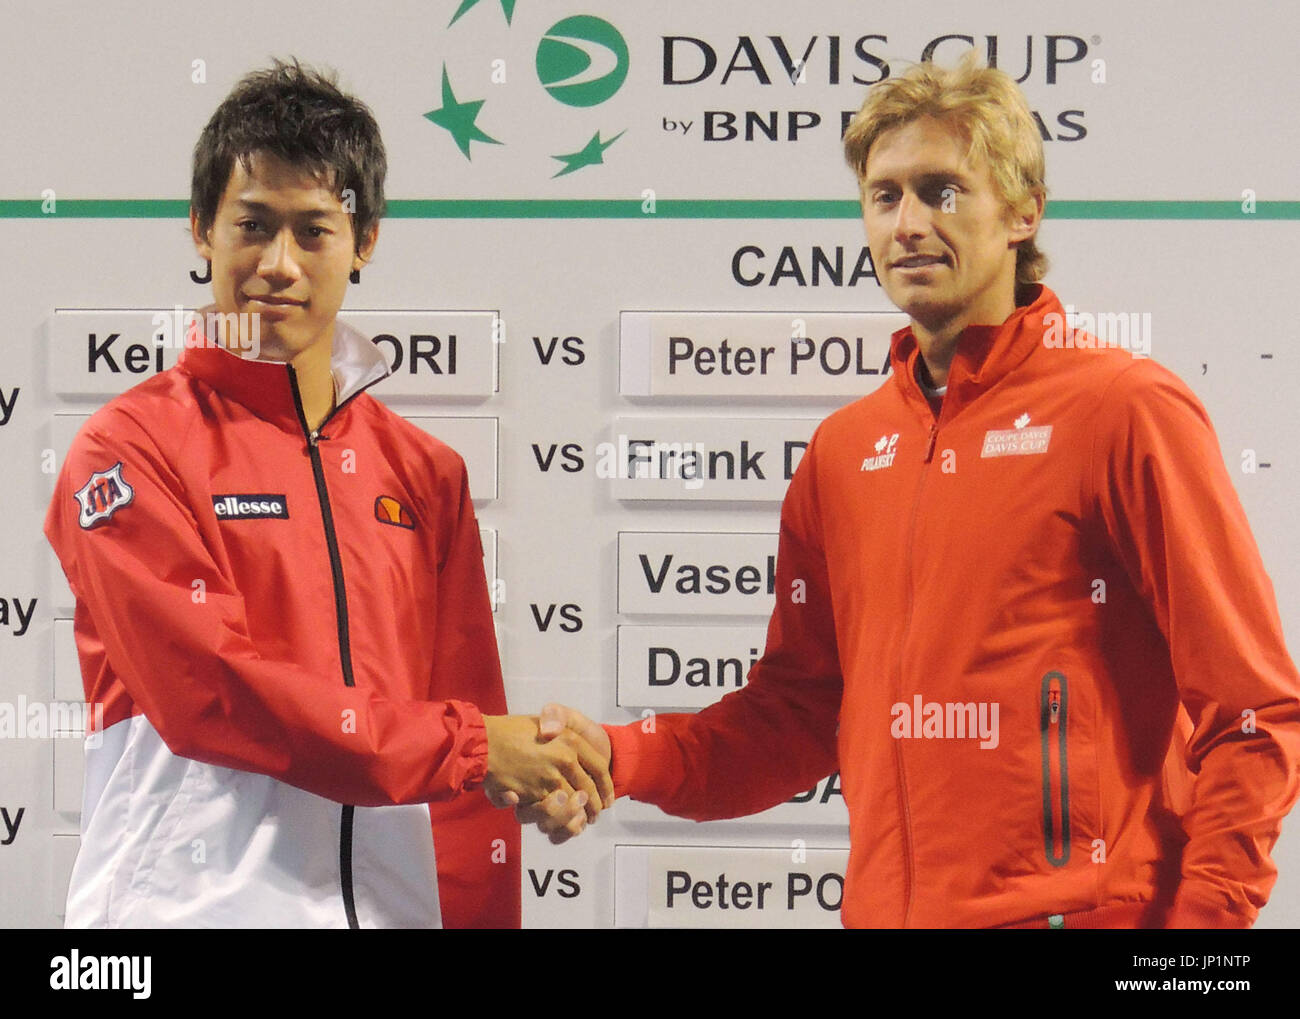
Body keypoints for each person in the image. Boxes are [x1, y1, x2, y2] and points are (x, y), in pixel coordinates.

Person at [526, 54, 1300, 928]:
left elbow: (1254, 713)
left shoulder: (1122, 408)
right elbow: (795, 716)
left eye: (943, 190)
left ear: (1022, 210)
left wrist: (1200, 948)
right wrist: (618, 755)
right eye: (885, 195)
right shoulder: (844, 449)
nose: (909, 224)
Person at [45, 59, 611, 929]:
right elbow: (216, 694)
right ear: (201, 230)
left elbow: (465, 761)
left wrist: (504, 782)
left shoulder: (424, 472)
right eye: (252, 226)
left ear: (365, 239)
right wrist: (474, 749)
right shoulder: (128, 449)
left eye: (314, 230)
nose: (279, 265)